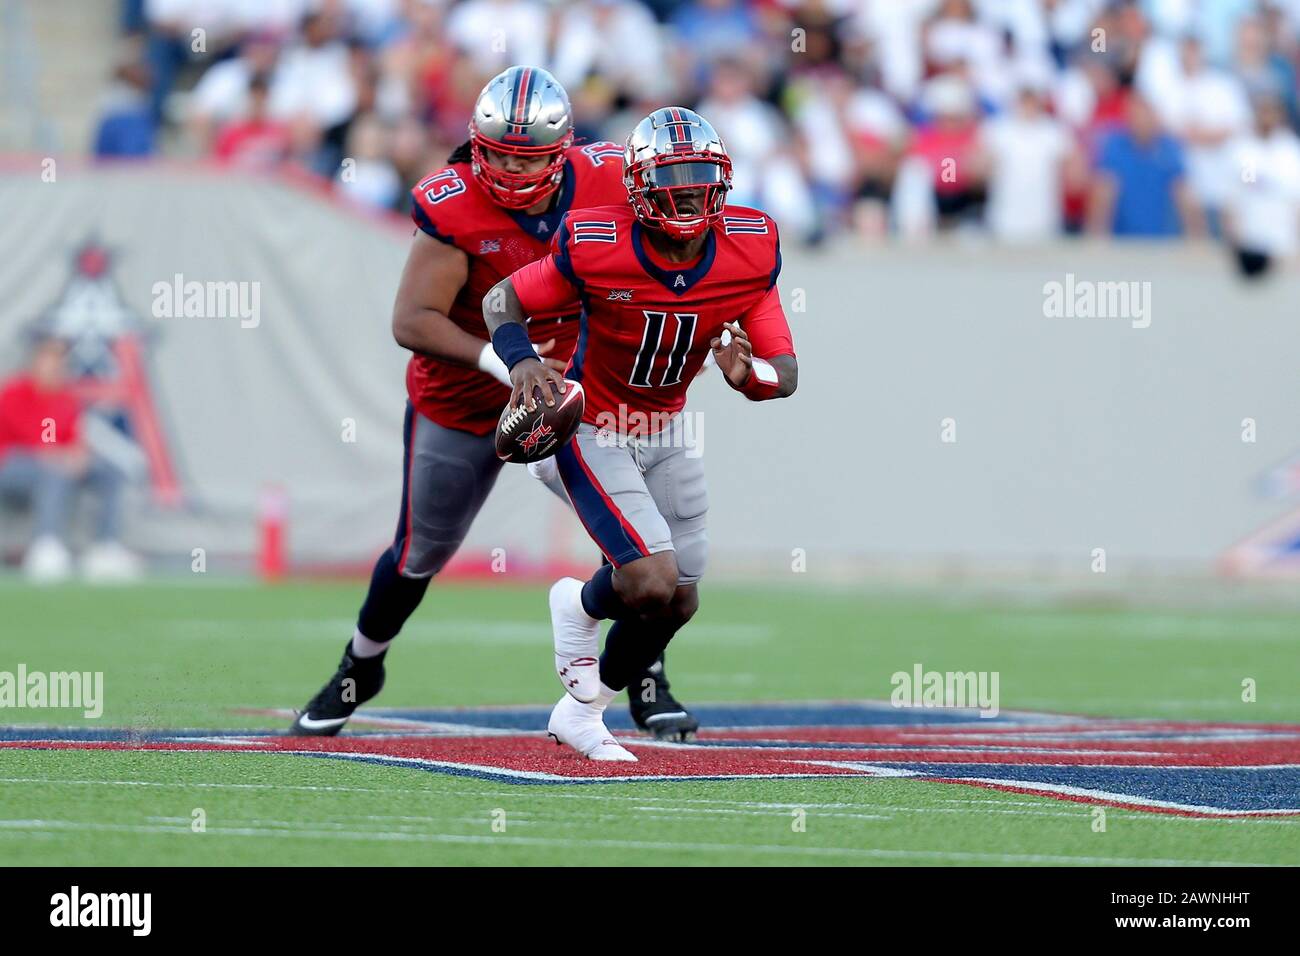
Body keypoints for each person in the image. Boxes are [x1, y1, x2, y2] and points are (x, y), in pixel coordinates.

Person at [290, 68, 700, 740]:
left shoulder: (606, 178)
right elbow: (412, 320)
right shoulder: (453, 204)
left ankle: (643, 671)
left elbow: (662, 256)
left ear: (563, 148)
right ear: (476, 145)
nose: (511, 166)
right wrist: (508, 364)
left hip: (573, 390)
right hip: (464, 398)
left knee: (642, 544)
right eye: (500, 151)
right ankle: (360, 665)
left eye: (528, 154)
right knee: (421, 551)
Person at [483, 107, 799, 760]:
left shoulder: (750, 247)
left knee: (679, 598)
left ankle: (582, 711)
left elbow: (786, 371)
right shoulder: (596, 241)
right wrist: (520, 364)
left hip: (667, 425)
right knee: (649, 579)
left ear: (721, 182)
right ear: (637, 186)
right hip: (590, 423)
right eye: (669, 178)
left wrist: (750, 374)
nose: (685, 193)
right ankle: (576, 604)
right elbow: (500, 301)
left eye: (696, 177)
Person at [0, 336, 136, 582]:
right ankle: (46, 546)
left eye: (59, 361)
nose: (54, 366)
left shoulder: (64, 398)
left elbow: (71, 438)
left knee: (108, 471)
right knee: (53, 471)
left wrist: (79, 456)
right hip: (10, 464)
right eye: (48, 360)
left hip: (54, 464)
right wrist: (59, 455)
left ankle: (105, 548)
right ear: (35, 362)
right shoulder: (14, 393)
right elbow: (37, 442)